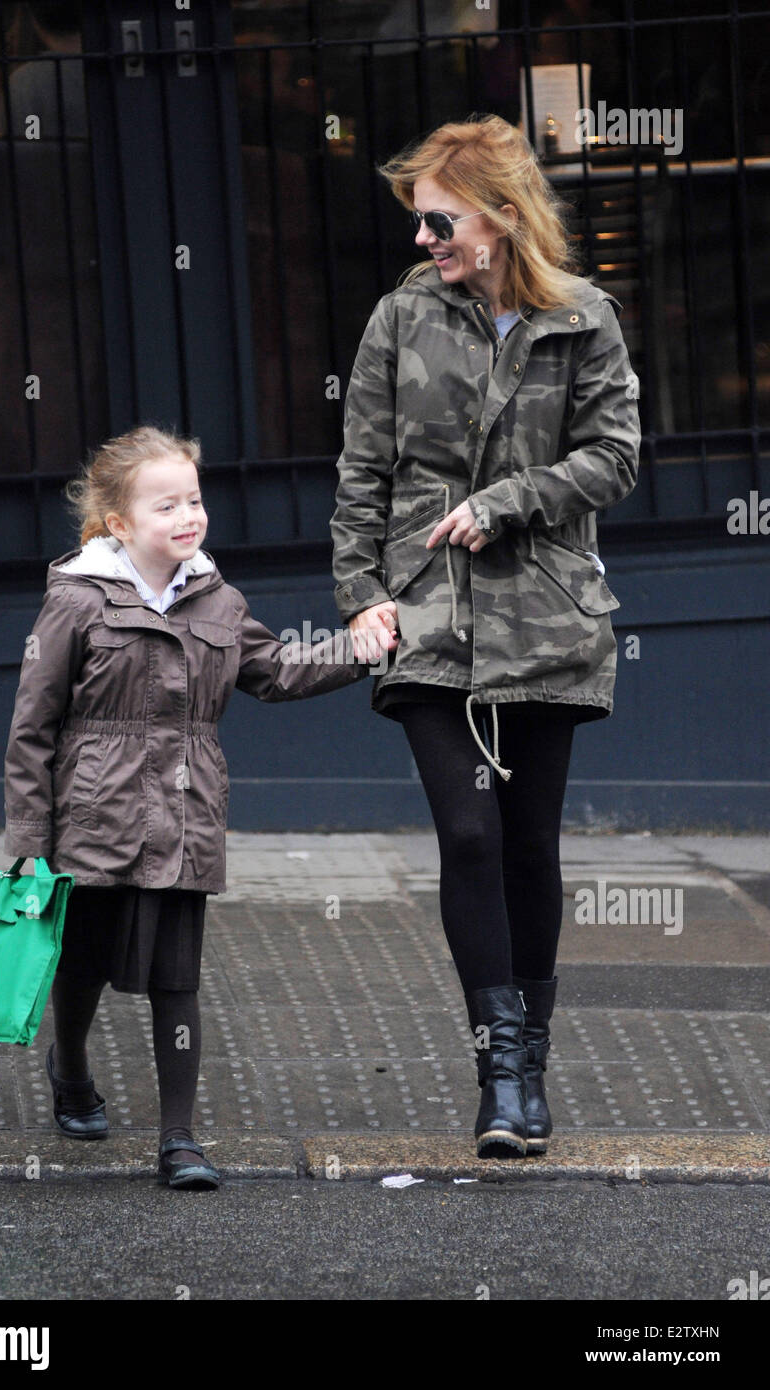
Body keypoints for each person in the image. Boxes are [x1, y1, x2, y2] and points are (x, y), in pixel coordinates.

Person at [330, 114, 641, 1159]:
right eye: (418, 223)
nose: (420, 241)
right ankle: (498, 1073)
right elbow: (360, 476)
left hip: (546, 613)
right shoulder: (399, 320)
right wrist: (359, 594)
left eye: (437, 221)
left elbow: (613, 457)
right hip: (425, 614)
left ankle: (531, 1067)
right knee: (466, 833)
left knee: (524, 844)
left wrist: (510, 498)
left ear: (500, 218)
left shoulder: (583, 318)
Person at [3, 425, 395, 1190]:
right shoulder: (76, 600)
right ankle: (72, 1070)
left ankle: (178, 1139)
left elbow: (278, 670)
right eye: (166, 506)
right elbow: (33, 724)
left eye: (194, 500)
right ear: (119, 523)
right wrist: (28, 838)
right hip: (91, 820)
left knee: (177, 978)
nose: (188, 517)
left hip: (185, 817)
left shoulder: (218, 600)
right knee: (80, 965)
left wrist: (362, 649)